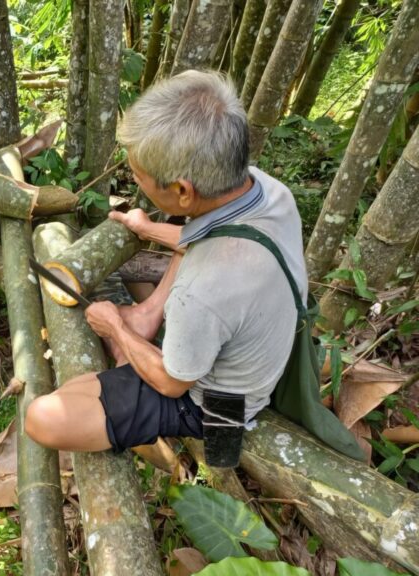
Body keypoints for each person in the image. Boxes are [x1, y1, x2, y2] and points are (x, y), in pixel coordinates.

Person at [24, 70, 308, 453]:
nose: (136, 183)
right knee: (81, 388)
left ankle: (137, 333)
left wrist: (116, 330)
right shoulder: (268, 192)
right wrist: (147, 228)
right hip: (256, 342)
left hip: (220, 406)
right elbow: (210, 240)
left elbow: (174, 383)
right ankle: (146, 316)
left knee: (43, 418)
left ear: (182, 191)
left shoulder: (204, 291)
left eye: (139, 177)